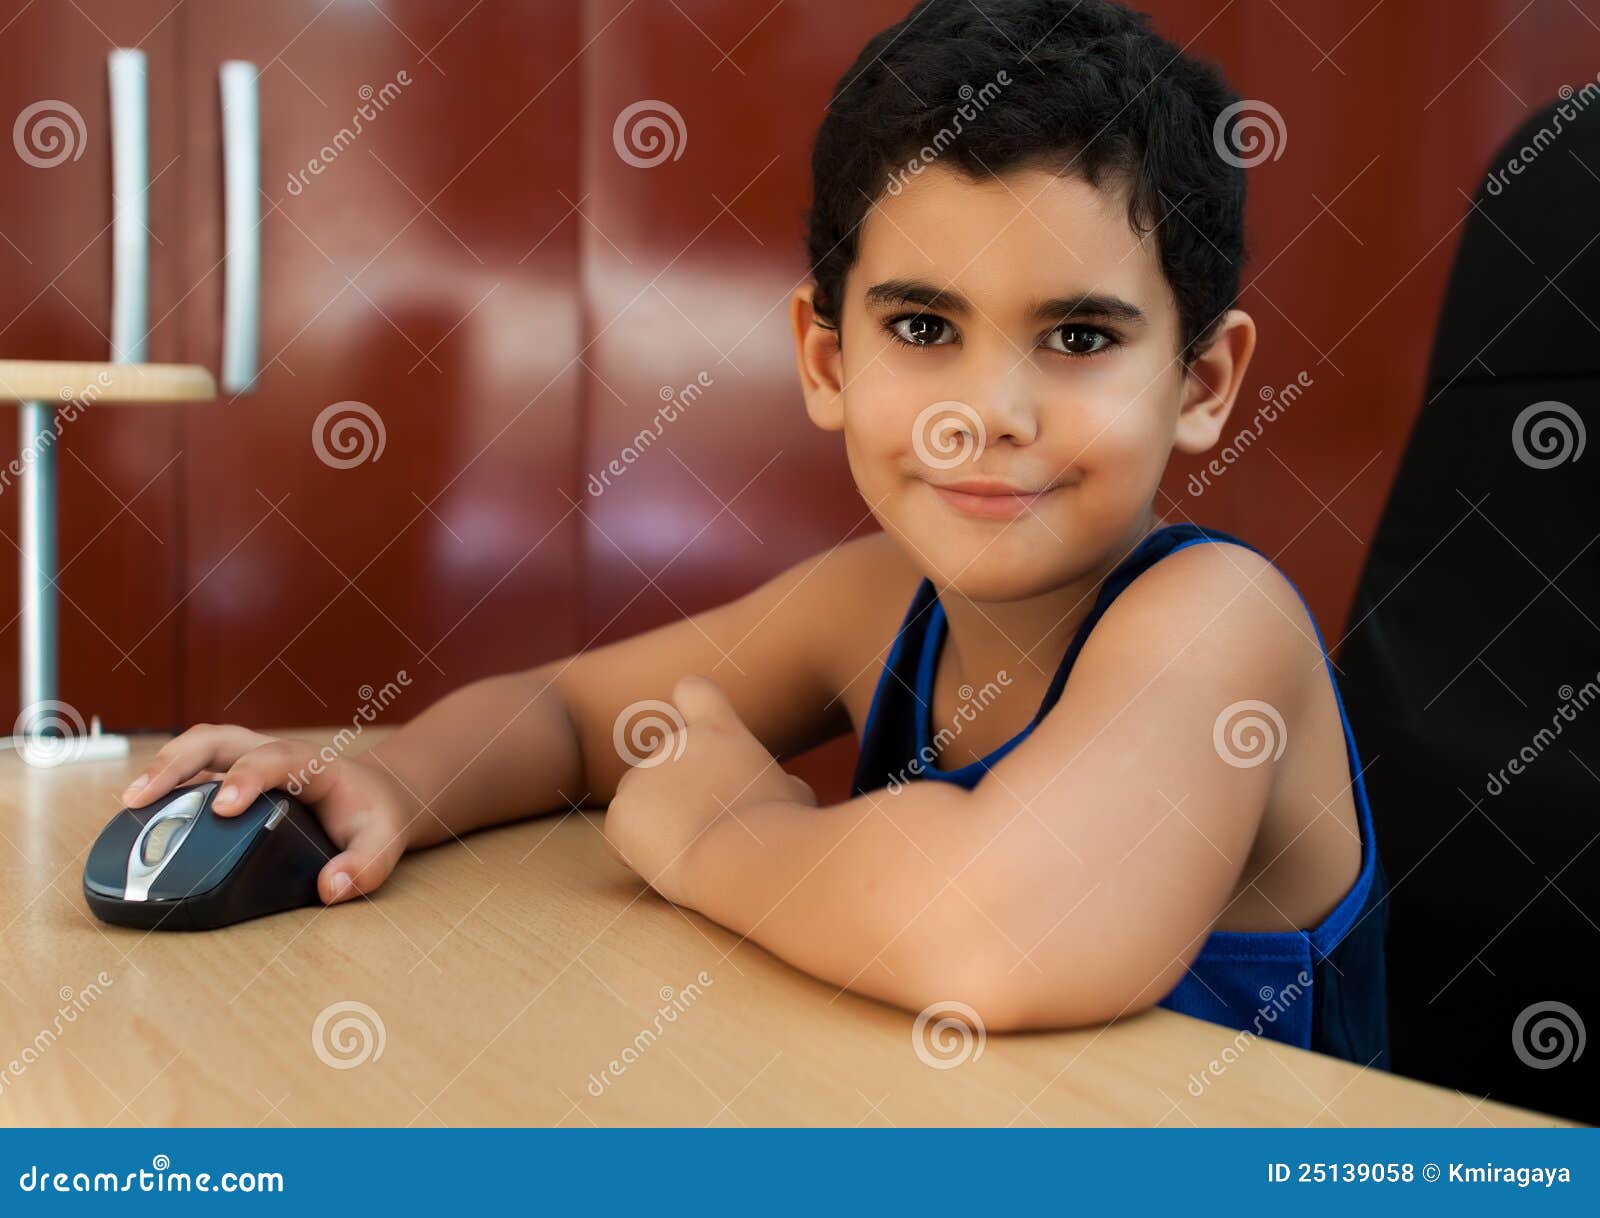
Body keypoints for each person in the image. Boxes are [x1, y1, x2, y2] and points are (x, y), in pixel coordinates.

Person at [120, 0, 1386, 1063]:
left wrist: (721, 836)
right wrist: (390, 781)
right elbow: (567, 718)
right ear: (823, 360)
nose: (983, 419)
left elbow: (996, 940)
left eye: (1078, 338)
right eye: (924, 330)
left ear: (1205, 384)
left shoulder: (1219, 627)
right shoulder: (875, 602)